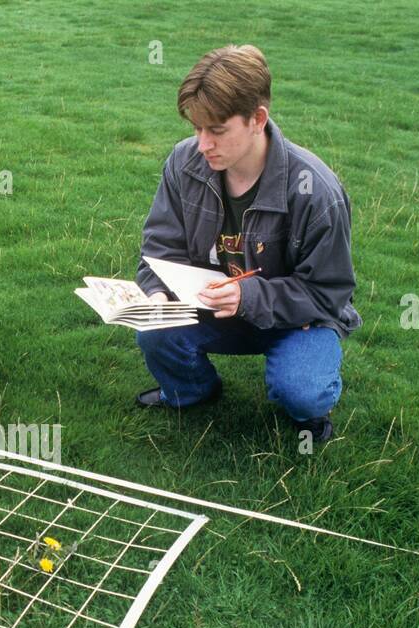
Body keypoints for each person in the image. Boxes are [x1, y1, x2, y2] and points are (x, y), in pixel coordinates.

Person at [133, 45, 360, 444]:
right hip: (213, 308)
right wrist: (156, 294)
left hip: (298, 320)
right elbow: (159, 249)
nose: (203, 144)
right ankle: (193, 392)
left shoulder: (316, 191)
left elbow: (330, 294)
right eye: (197, 128)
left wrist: (247, 296)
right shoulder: (183, 163)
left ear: (258, 119)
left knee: (303, 391)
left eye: (217, 130)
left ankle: (308, 410)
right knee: (154, 329)